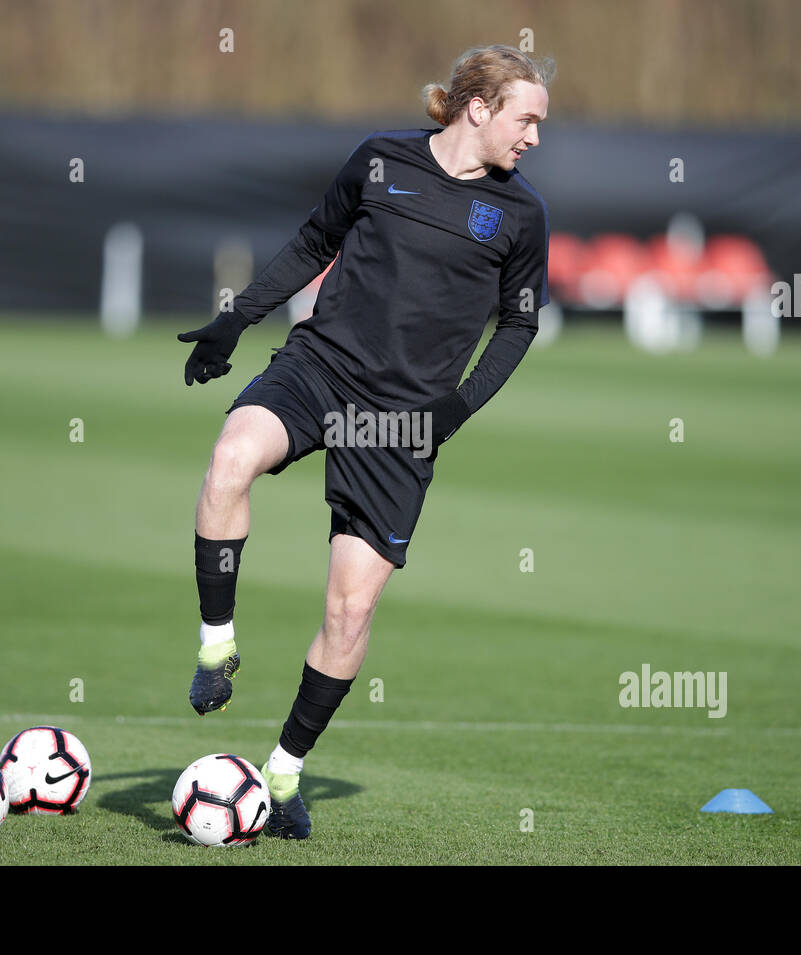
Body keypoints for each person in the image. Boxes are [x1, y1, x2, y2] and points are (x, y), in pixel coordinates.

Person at [178, 44, 554, 839]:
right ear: (477, 107)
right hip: (321, 366)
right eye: (527, 119)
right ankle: (217, 645)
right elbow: (315, 242)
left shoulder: (522, 214)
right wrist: (236, 318)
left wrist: (454, 410)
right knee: (230, 458)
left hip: (406, 418)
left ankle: (282, 773)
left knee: (349, 610)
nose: (534, 138)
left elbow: (519, 323)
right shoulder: (379, 161)